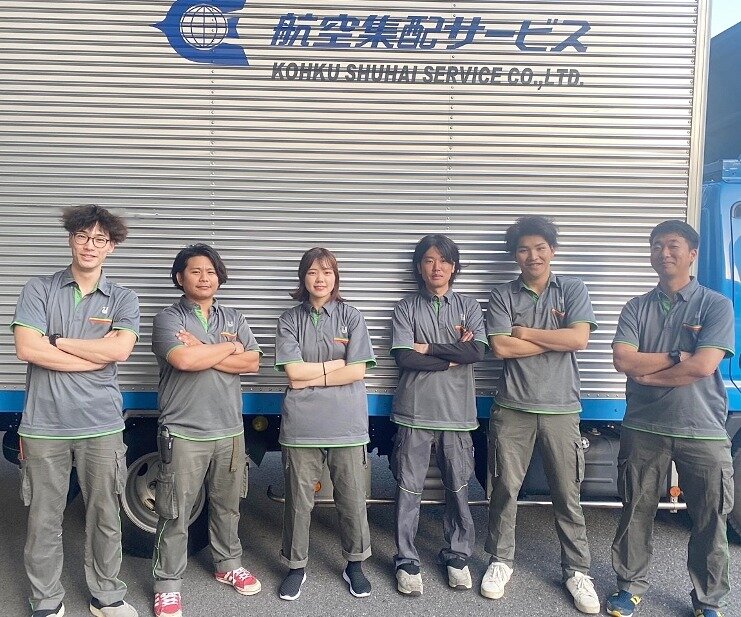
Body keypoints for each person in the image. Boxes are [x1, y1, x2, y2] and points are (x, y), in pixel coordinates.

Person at [11, 205, 140, 617]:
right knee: (43, 518)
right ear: (71, 238)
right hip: (44, 424)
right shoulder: (39, 289)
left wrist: (58, 342)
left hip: (101, 424)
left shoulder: (123, 297)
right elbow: (27, 348)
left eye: (100, 239)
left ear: (111, 247)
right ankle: (46, 601)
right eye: (83, 236)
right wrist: (93, 356)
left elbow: (120, 350)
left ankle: (107, 596)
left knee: (105, 514)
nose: (90, 245)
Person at [607, 220, 734, 617]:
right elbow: (623, 360)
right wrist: (678, 356)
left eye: (673, 245)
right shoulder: (636, 307)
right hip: (643, 426)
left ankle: (708, 600)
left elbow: (704, 366)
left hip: (703, 429)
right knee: (635, 511)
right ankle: (629, 587)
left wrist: (648, 376)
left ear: (692, 253)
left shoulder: (715, 305)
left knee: (711, 518)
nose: (664, 253)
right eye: (657, 245)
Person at [482, 215, 600, 614]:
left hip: (562, 409)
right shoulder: (503, 295)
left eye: (539, 248)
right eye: (523, 249)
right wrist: (555, 339)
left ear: (552, 250)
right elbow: (501, 348)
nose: (532, 256)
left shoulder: (573, 288)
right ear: (514, 255)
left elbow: (579, 339)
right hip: (512, 407)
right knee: (504, 489)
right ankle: (500, 560)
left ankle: (577, 571)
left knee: (568, 493)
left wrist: (526, 332)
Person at [150, 244, 262, 617]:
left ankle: (228, 565)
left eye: (210, 271)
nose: (204, 278)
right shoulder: (167, 319)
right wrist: (228, 348)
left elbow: (253, 362)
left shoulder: (234, 316)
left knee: (228, 506)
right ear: (180, 277)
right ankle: (167, 584)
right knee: (175, 512)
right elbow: (183, 360)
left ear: (219, 277)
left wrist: (205, 349)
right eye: (195, 271)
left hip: (229, 430)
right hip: (183, 432)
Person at [274, 247, 376, 601]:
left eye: (327, 272)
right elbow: (292, 372)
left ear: (336, 277)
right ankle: (295, 566)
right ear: (303, 278)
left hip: (347, 425)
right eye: (313, 272)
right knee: (298, 502)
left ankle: (355, 564)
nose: (320, 279)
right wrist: (336, 365)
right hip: (301, 427)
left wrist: (310, 378)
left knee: (352, 499)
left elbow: (358, 371)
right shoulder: (289, 320)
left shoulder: (351, 316)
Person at [389, 234, 487, 596]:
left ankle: (458, 556)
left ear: (454, 267)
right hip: (413, 413)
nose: (437, 267)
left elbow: (476, 352)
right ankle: (406, 559)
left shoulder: (468, 306)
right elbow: (404, 357)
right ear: (419, 266)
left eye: (444, 260)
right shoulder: (406, 308)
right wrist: (452, 356)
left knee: (458, 489)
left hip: (457, 415)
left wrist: (429, 347)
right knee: (407, 490)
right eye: (429, 260)